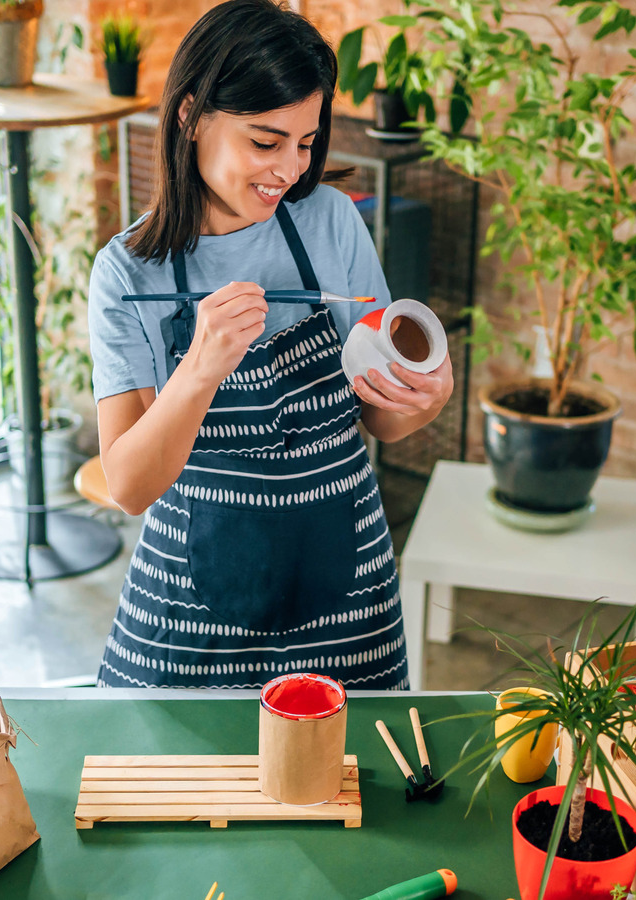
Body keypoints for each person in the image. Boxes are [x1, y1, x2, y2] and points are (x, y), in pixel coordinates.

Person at [88, 0, 453, 690]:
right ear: (191, 117)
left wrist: (428, 395)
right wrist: (199, 370)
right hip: (189, 614)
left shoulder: (333, 223)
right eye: (266, 141)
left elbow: (386, 416)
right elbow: (130, 485)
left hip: (347, 594)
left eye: (306, 142)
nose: (289, 168)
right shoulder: (130, 271)